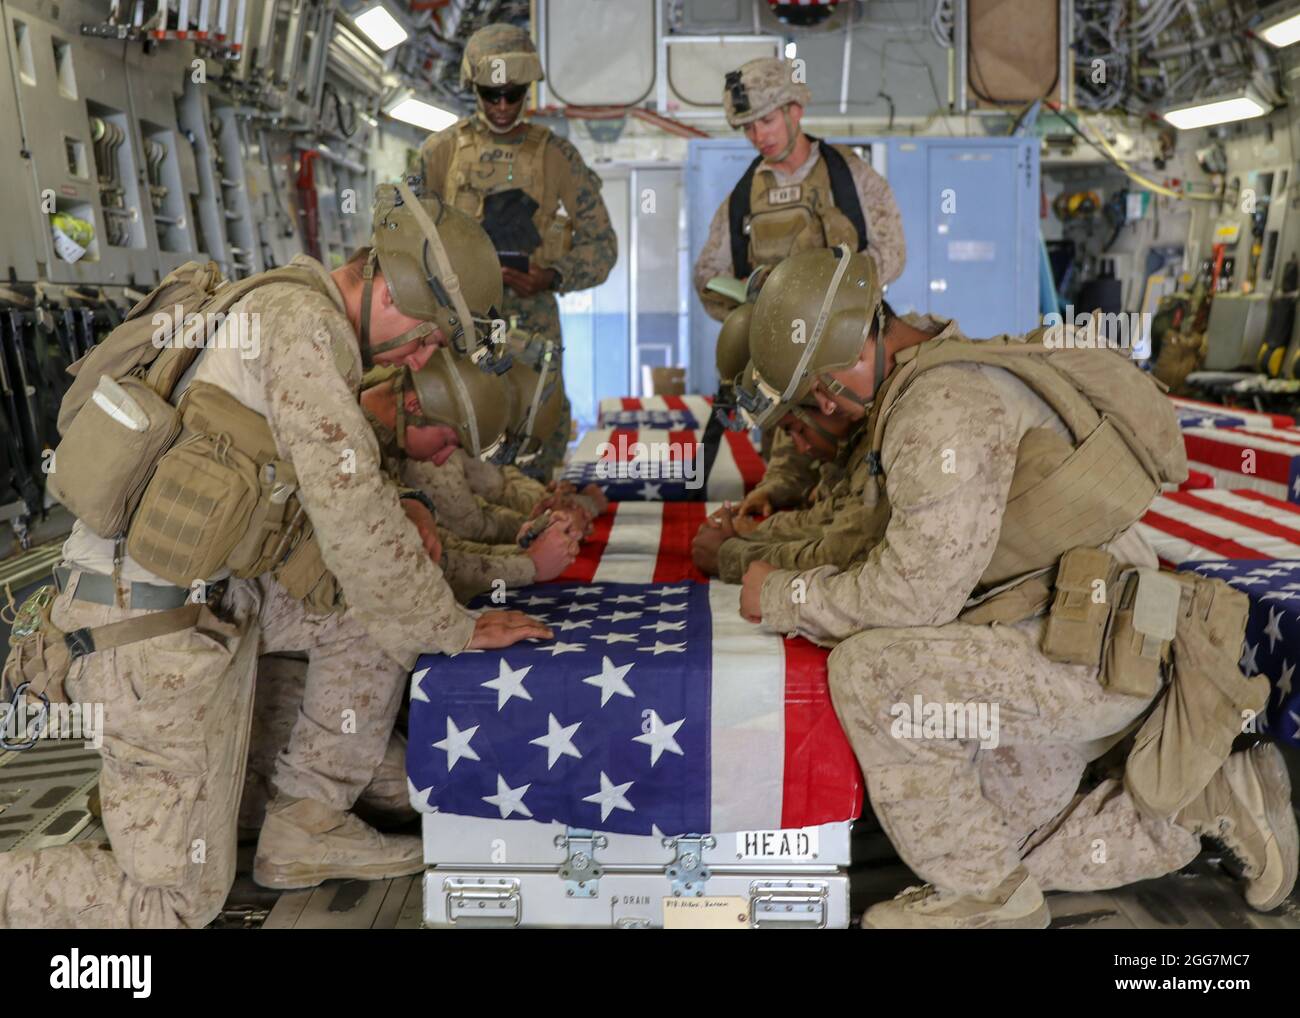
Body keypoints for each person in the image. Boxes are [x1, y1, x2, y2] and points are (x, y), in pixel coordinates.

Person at [0, 183, 551, 928]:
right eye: (425, 335)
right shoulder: (302, 327)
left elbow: (332, 527)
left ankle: (304, 824)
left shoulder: (281, 307)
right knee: (172, 903)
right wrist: (454, 626)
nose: (420, 356)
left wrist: (424, 595)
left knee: (365, 615)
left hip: (209, 601)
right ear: (389, 287)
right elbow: (351, 510)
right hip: (145, 640)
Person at [736, 246, 1297, 928]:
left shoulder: (942, 405)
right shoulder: (934, 379)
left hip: (1088, 654)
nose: (827, 407)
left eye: (822, 388)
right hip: (1071, 631)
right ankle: (1204, 799)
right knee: (986, 840)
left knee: (873, 671)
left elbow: (913, 599)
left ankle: (985, 897)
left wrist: (781, 597)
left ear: (852, 353)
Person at [420, 23, 617, 479]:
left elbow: (603, 246)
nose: (504, 106)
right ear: (474, 88)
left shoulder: (557, 157)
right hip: (459, 326)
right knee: (460, 440)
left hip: (534, 324)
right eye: (492, 95)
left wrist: (552, 276)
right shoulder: (440, 153)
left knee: (537, 432)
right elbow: (409, 242)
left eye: (514, 93)